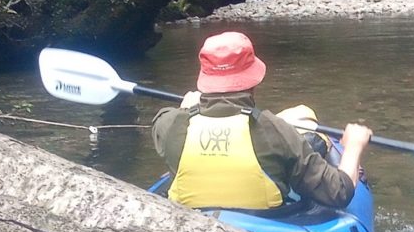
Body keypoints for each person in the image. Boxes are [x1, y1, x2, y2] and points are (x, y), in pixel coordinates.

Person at [151, 31, 372, 212]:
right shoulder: (276, 130)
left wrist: (186, 108)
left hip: (190, 225)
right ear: (253, 80)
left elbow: (164, 120)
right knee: (308, 133)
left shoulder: (169, 124)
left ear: (204, 81)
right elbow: (339, 192)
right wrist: (353, 145)